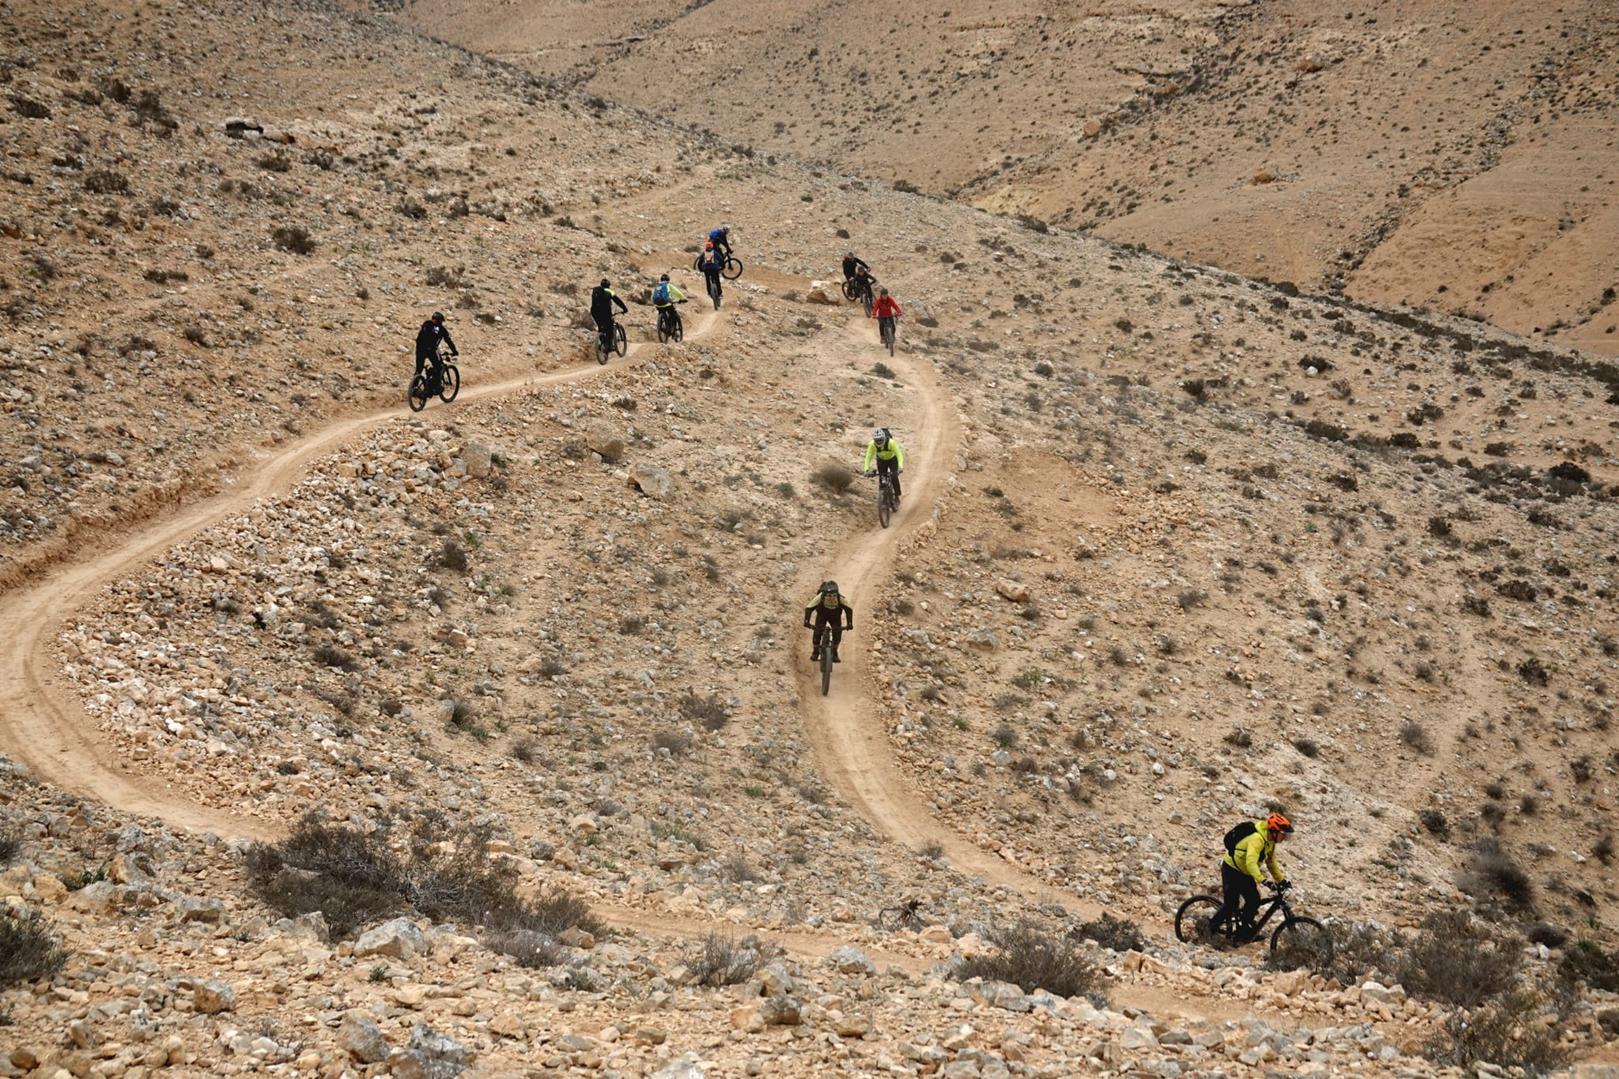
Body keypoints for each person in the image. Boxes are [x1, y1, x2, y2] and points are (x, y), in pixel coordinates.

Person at [1210, 812, 1292, 938]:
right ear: (1274, 830)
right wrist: (1263, 880)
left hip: (1244, 872)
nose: (1285, 838)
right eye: (1283, 834)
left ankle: (1244, 929)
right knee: (1231, 904)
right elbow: (1250, 862)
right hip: (1232, 870)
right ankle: (1209, 928)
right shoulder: (1257, 839)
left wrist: (1281, 880)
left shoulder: (1270, 842)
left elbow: (1271, 862)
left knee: (1254, 900)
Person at [803, 580, 853, 663]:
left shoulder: (840, 598)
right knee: (817, 633)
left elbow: (849, 610)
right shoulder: (820, 597)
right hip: (822, 616)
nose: (832, 597)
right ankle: (815, 652)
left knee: (837, 634)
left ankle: (834, 652)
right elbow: (809, 608)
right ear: (824, 594)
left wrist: (849, 623)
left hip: (835, 617)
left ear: (837, 594)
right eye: (829, 595)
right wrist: (806, 621)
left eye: (834, 595)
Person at [861, 427, 906, 504]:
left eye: (880, 440)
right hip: (881, 460)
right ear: (874, 440)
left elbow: (899, 454)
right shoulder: (872, 444)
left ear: (884, 438)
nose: (879, 442)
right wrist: (866, 470)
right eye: (877, 440)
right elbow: (868, 457)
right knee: (882, 478)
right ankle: (883, 497)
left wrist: (900, 467)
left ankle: (897, 496)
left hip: (892, 459)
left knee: (894, 476)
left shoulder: (891, 442)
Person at [414, 311, 457, 382]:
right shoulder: (441, 329)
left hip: (420, 349)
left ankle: (413, 389)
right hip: (431, 350)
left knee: (419, 369)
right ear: (440, 321)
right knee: (438, 367)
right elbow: (448, 341)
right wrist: (454, 351)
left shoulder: (426, 323)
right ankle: (433, 385)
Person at [590, 278, 628, 352]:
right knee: (609, 327)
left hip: (594, 312)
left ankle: (602, 342)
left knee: (601, 327)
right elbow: (617, 301)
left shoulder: (595, 290)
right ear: (609, 285)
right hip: (605, 312)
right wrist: (625, 309)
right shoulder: (610, 291)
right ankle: (608, 346)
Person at [699, 243, 726, 310]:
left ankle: (709, 292)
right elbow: (721, 260)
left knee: (708, 280)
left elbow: (699, 262)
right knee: (717, 281)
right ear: (712, 247)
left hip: (706, 269)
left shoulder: (703, 253)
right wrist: (722, 267)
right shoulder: (715, 252)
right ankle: (719, 294)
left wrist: (701, 269)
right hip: (715, 268)